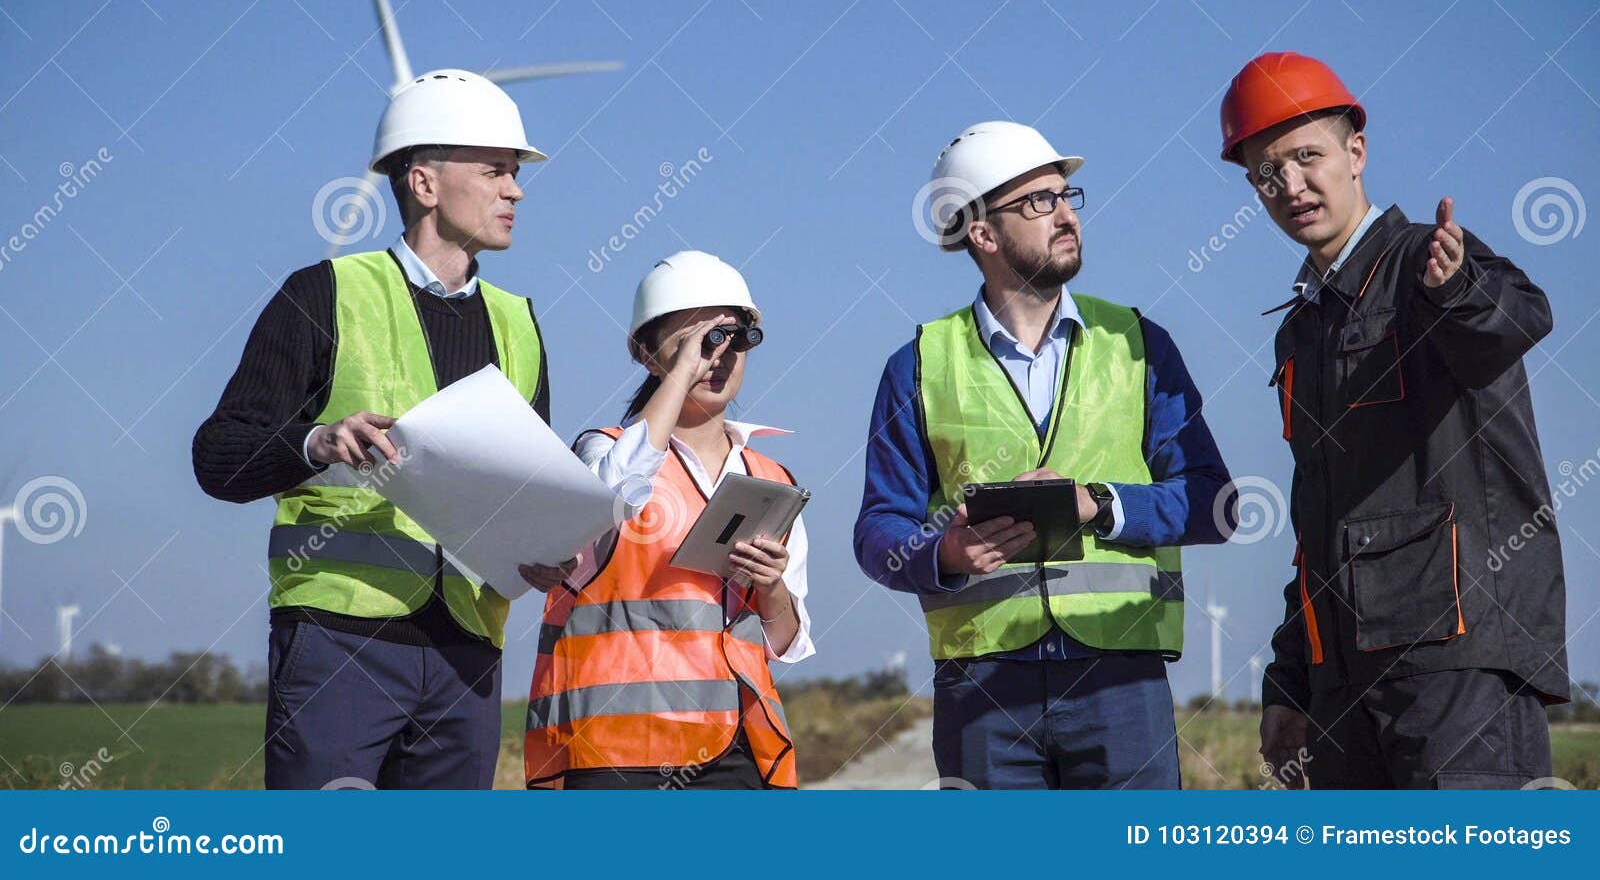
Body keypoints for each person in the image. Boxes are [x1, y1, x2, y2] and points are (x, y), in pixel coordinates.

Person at [1219, 51, 1569, 789]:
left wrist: (1458, 289)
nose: (1290, 186)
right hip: (1343, 682)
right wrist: (1291, 682)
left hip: (1458, 665)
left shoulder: (1427, 265)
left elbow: (1516, 317)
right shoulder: (1301, 330)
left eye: (1307, 157)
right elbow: (1319, 524)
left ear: (1357, 152)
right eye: (1265, 173)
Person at [192, 69, 550, 789]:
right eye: (495, 171)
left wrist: (547, 550)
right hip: (339, 644)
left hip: (468, 656)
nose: (516, 190)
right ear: (423, 183)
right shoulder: (323, 294)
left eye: (515, 174)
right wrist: (314, 442)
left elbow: (528, 492)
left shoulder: (521, 324)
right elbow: (217, 456)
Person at [854, 121, 1235, 789]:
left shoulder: (1139, 345)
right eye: (1038, 202)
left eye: (1067, 197)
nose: (1066, 216)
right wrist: (943, 554)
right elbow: (877, 530)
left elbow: (1216, 503)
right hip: (983, 687)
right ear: (983, 233)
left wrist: (1101, 503)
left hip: (1120, 676)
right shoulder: (917, 366)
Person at [522, 250, 813, 789]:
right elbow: (613, 497)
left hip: (741, 746)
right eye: (696, 342)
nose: (716, 359)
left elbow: (787, 641)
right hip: (616, 748)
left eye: (733, 339)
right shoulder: (601, 451)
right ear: (648, 354)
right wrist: (679, 374)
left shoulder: (770, 477)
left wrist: (771, 588)